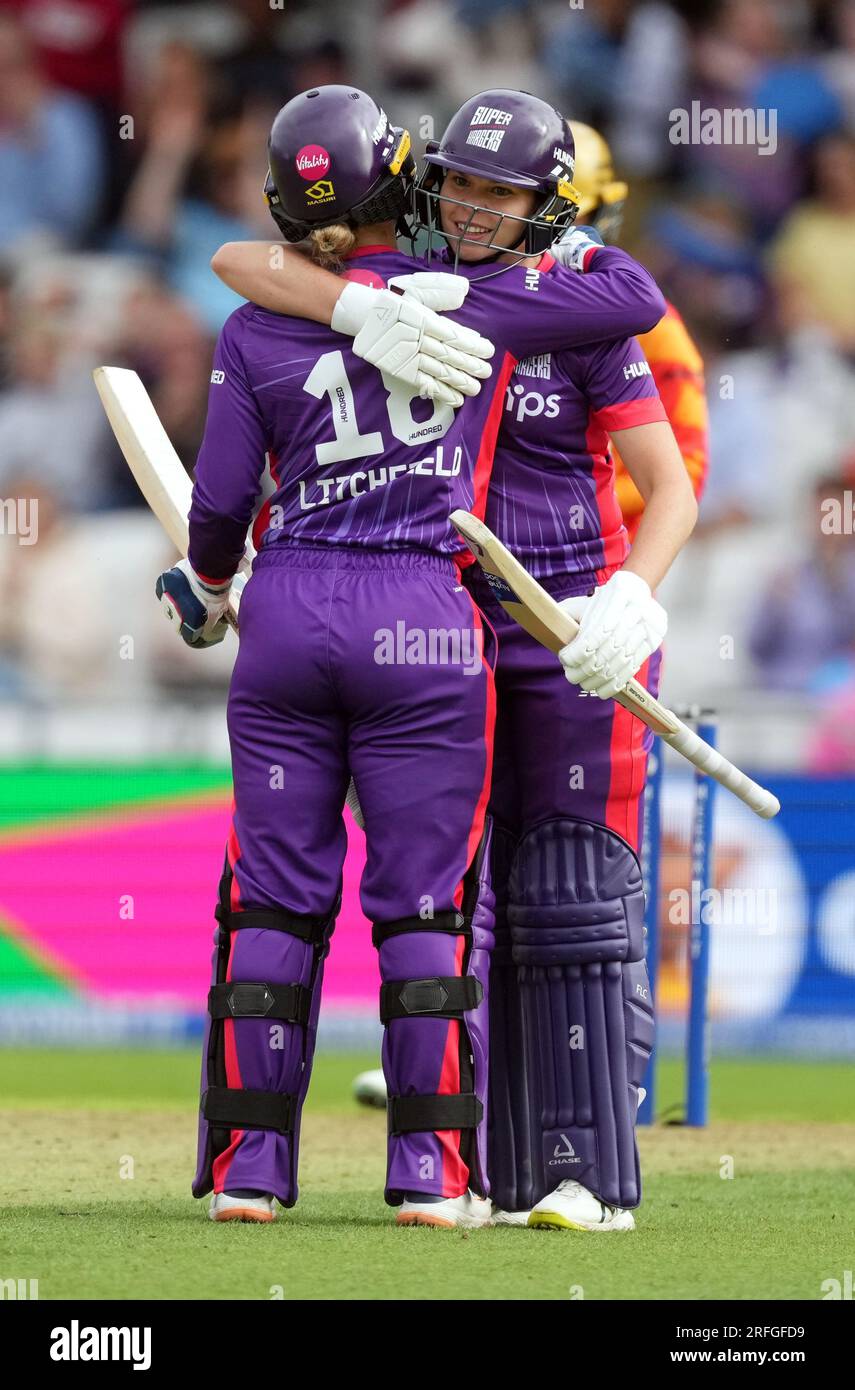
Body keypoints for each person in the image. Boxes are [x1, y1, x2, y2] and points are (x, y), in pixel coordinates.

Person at [162, 84, 670, 1229]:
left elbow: (220, 505)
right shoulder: (485, 301)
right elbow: (629, 298)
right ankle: (434, 1179)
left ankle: (250, 1170)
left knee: (273, 905)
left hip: (287, 609)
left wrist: (201, 590)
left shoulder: (255, 322)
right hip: (428, 622)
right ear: (407, 178)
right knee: (430, 907)